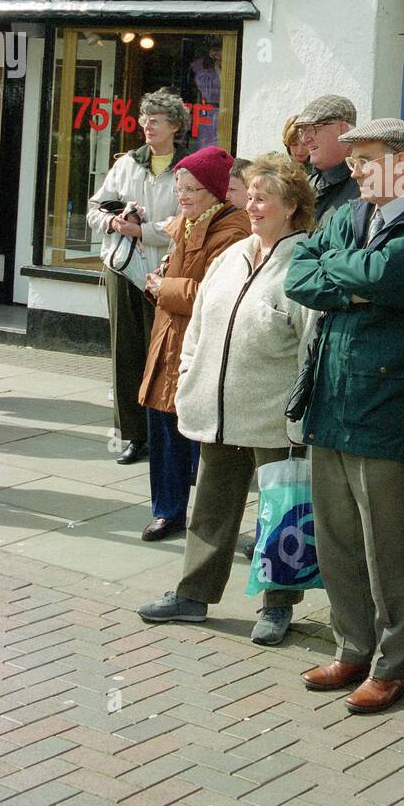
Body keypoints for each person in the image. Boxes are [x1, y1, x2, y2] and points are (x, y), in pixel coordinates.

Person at [285, 117, 404, 713]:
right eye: (353, 159)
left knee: (386, 544)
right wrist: (353, 283)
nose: (352, 169)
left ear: (402, 162)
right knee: (336, 540)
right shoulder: (344, 215)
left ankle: (392, 664)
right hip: (329, 398)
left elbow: (388, 276)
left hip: (386, 405)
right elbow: (297, 275)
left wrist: (349, 278)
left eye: (365, 160)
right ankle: (351, 647)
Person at [137, 154, 317, 644]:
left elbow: (310, 346)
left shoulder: (303, 264)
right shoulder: (230, 255)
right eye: (251, 196)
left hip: (273, 415)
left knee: (281, 509)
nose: (253, 207)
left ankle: (278, 605)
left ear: (292, 206)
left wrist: (298, 415)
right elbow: (197, 325)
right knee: (212, 506)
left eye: (264, 198)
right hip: (216, 409)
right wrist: (192, 373)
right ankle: (193, 595)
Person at [138, 147, 249, 541]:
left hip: (200, 345)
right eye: (180, 187)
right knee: (164, 426)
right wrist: (161, 281)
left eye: (192, 189)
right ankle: (167, 511)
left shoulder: (233, 230)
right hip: (169, 338)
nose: (182, 196)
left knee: (199, 437)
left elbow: (219, 293)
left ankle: (205, 519)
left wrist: (164, 287)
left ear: (216, 192)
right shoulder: (186, 223)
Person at [87, 89, 189, 466]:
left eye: (156, 120)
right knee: (125, 354)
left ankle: (170, 436)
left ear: (175, 126)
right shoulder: (127, 163)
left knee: (164, 356)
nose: (147, 126)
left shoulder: (187, 167)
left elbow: (186, 222)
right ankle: (133, 436)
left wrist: (143, 231)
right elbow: (94, 208)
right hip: (122, 268)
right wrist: (114, 221)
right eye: (144, 119)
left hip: (167, 274)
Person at [293, 95, 360, 225]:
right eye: (303, 131)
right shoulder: (304, 186)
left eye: (313, 129)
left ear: (343, 130)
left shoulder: (367, 187)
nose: (305, 139)